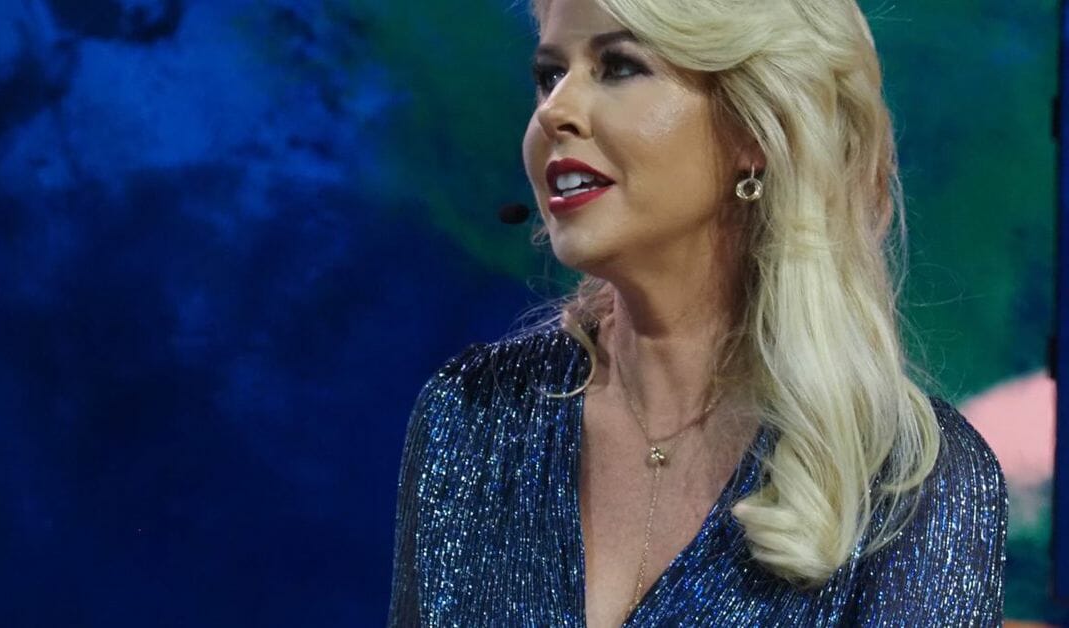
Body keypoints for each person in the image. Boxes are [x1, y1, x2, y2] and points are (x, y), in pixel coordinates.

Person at [388, 0, 1008, 625]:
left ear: (755, 128)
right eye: (550, 74)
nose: (554, 111)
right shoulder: (472, 413)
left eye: (619, 66)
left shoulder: (912, 484)